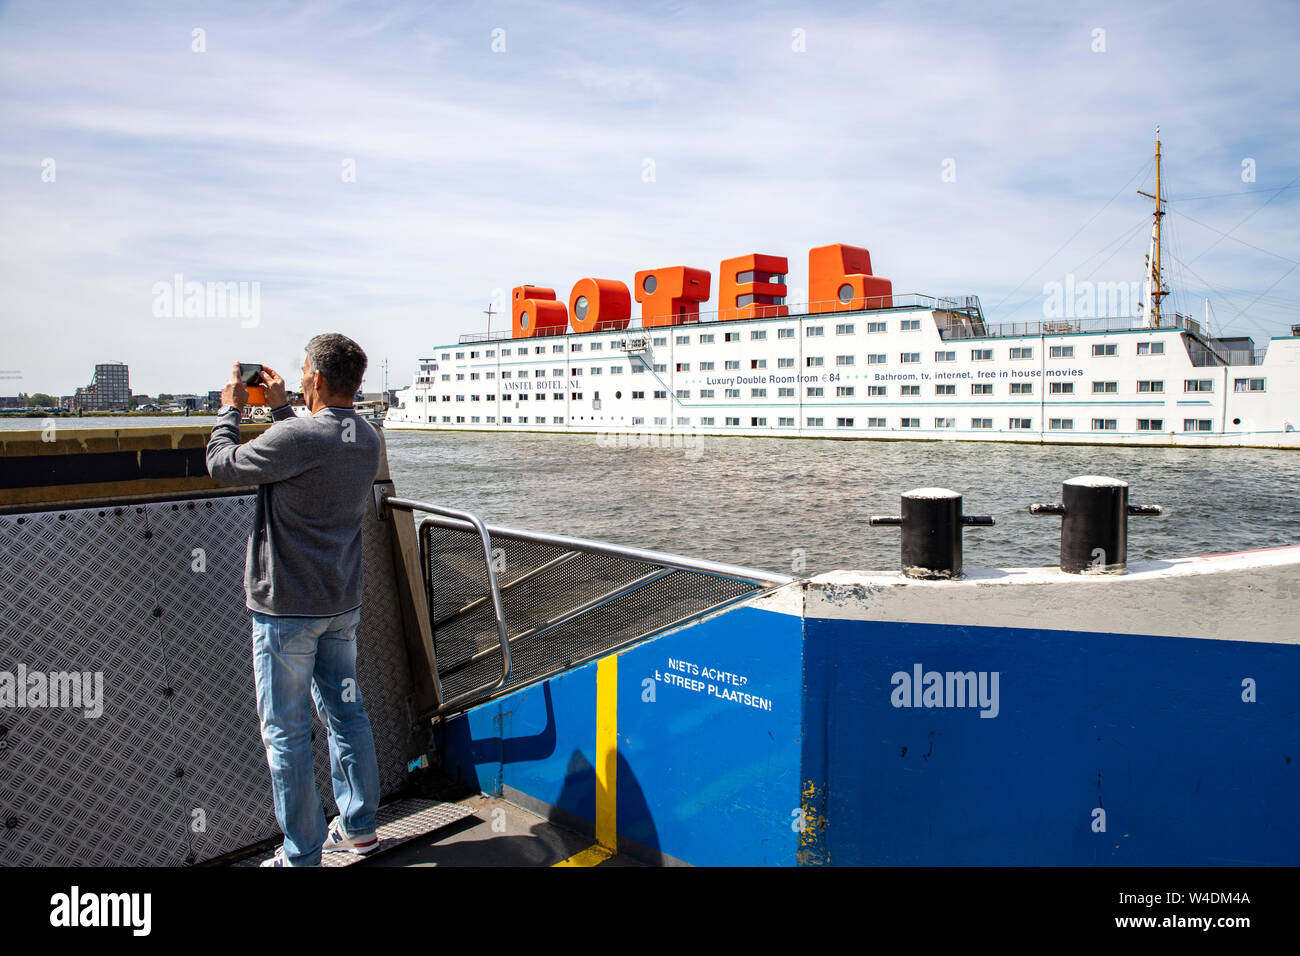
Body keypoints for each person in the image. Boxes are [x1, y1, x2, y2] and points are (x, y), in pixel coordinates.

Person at [206, 334, 383, 867]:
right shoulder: (367, 437)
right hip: (340, 602)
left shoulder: (301, 437)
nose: (300, 376)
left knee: (286, 734)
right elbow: (311, 446)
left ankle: (301, 855)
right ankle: (359, 827)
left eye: (304, 371)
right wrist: (283, 406)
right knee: (346, 714)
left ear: (317, 380)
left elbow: (223, 464)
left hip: (286, 610)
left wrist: (229, 409)